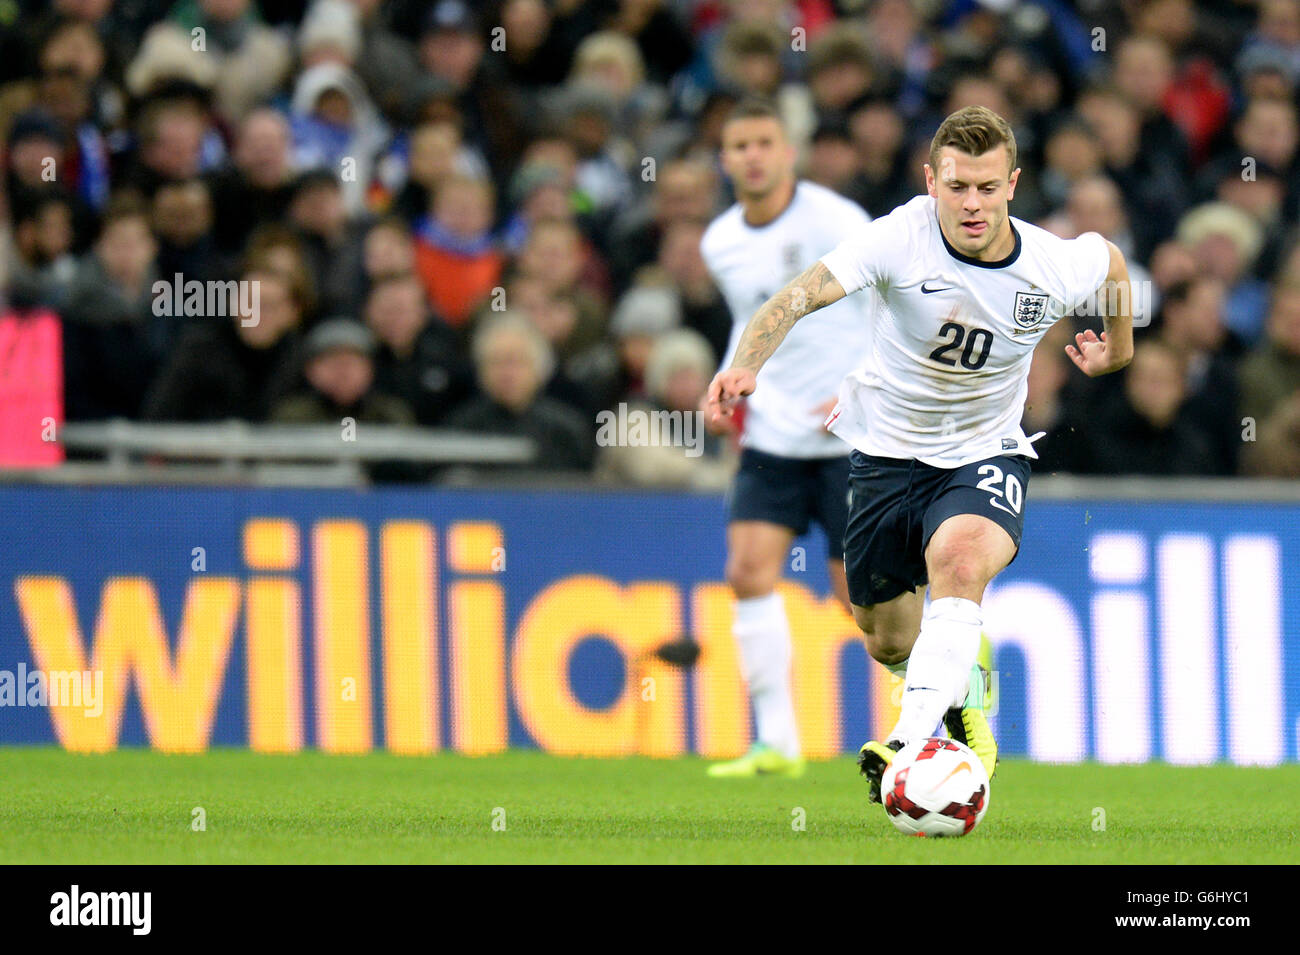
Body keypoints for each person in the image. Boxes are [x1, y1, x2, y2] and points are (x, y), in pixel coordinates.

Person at [706, 106, 1134, 802]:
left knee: (960, 563)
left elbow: (1109, 261)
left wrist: (1119, 349)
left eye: (988, 188)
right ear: (931, 179)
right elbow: (797, 296)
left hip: (984, 452)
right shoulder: (895, 240)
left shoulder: (1050, 264)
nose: (972, 204)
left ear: (1013, 185)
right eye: (958, 186)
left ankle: (908, 743)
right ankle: (961, 690)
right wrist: (747, 365)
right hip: (884, 457)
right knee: (882, 634)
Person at [699, 99, 873, 780]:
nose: (752, 155)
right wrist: (728, 379)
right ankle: (776, 741)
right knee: (747, 570)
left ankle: (952, 696)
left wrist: (864, 384)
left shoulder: (837, 221)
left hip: (847, 435)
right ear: (725, 158)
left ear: (788, 150)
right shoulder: (720, 242)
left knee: (858, 603)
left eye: (764, 141)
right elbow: (749, 319)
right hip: (772, 431)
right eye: (738, 144)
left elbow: (894, 302)